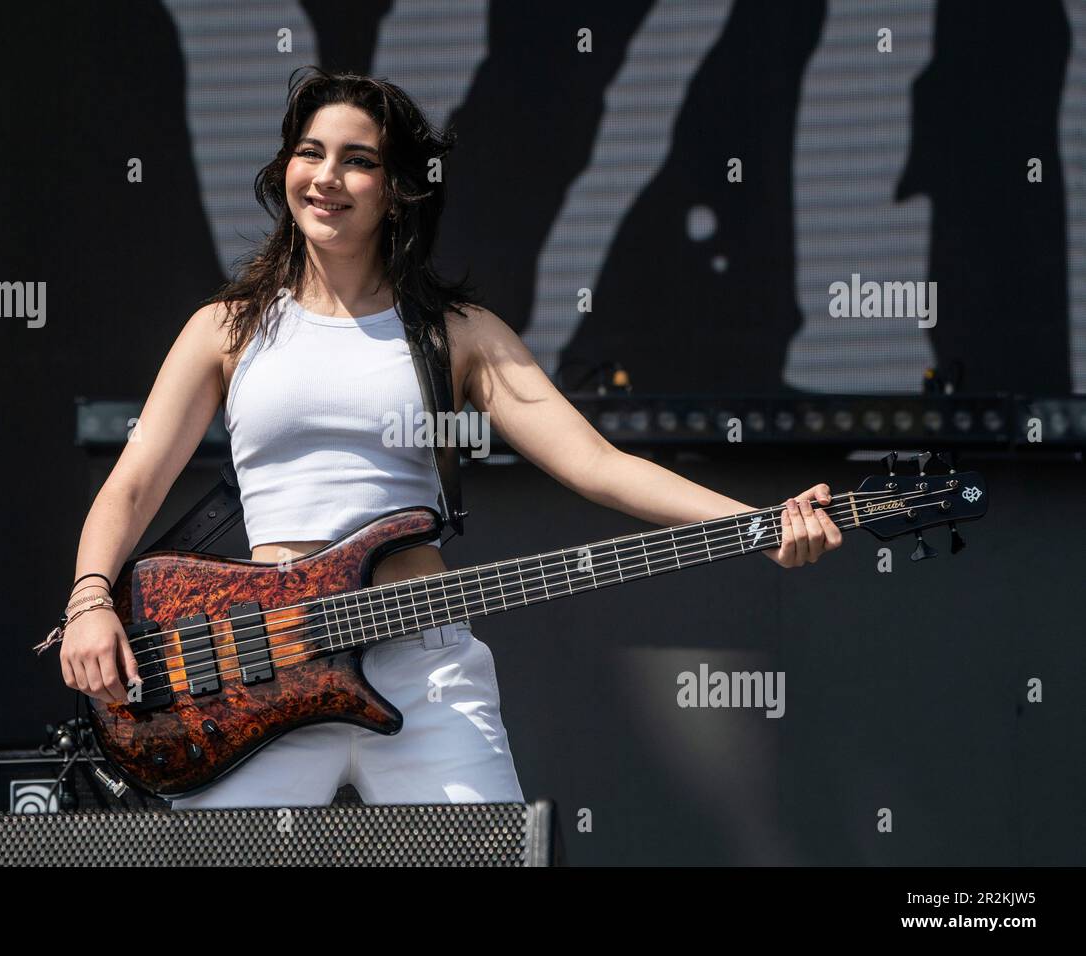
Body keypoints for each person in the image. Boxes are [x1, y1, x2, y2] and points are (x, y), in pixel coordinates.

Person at [58, 66, 843, 809]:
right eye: (309, 153)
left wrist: (757, 524)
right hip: (258, 677)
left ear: (397, 191)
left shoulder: (454, 333)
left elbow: (597, 464)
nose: (327, 177)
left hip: (424, 669)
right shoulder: (225, 329)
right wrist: (91, 598)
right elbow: (132, 483)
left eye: (357, 160)